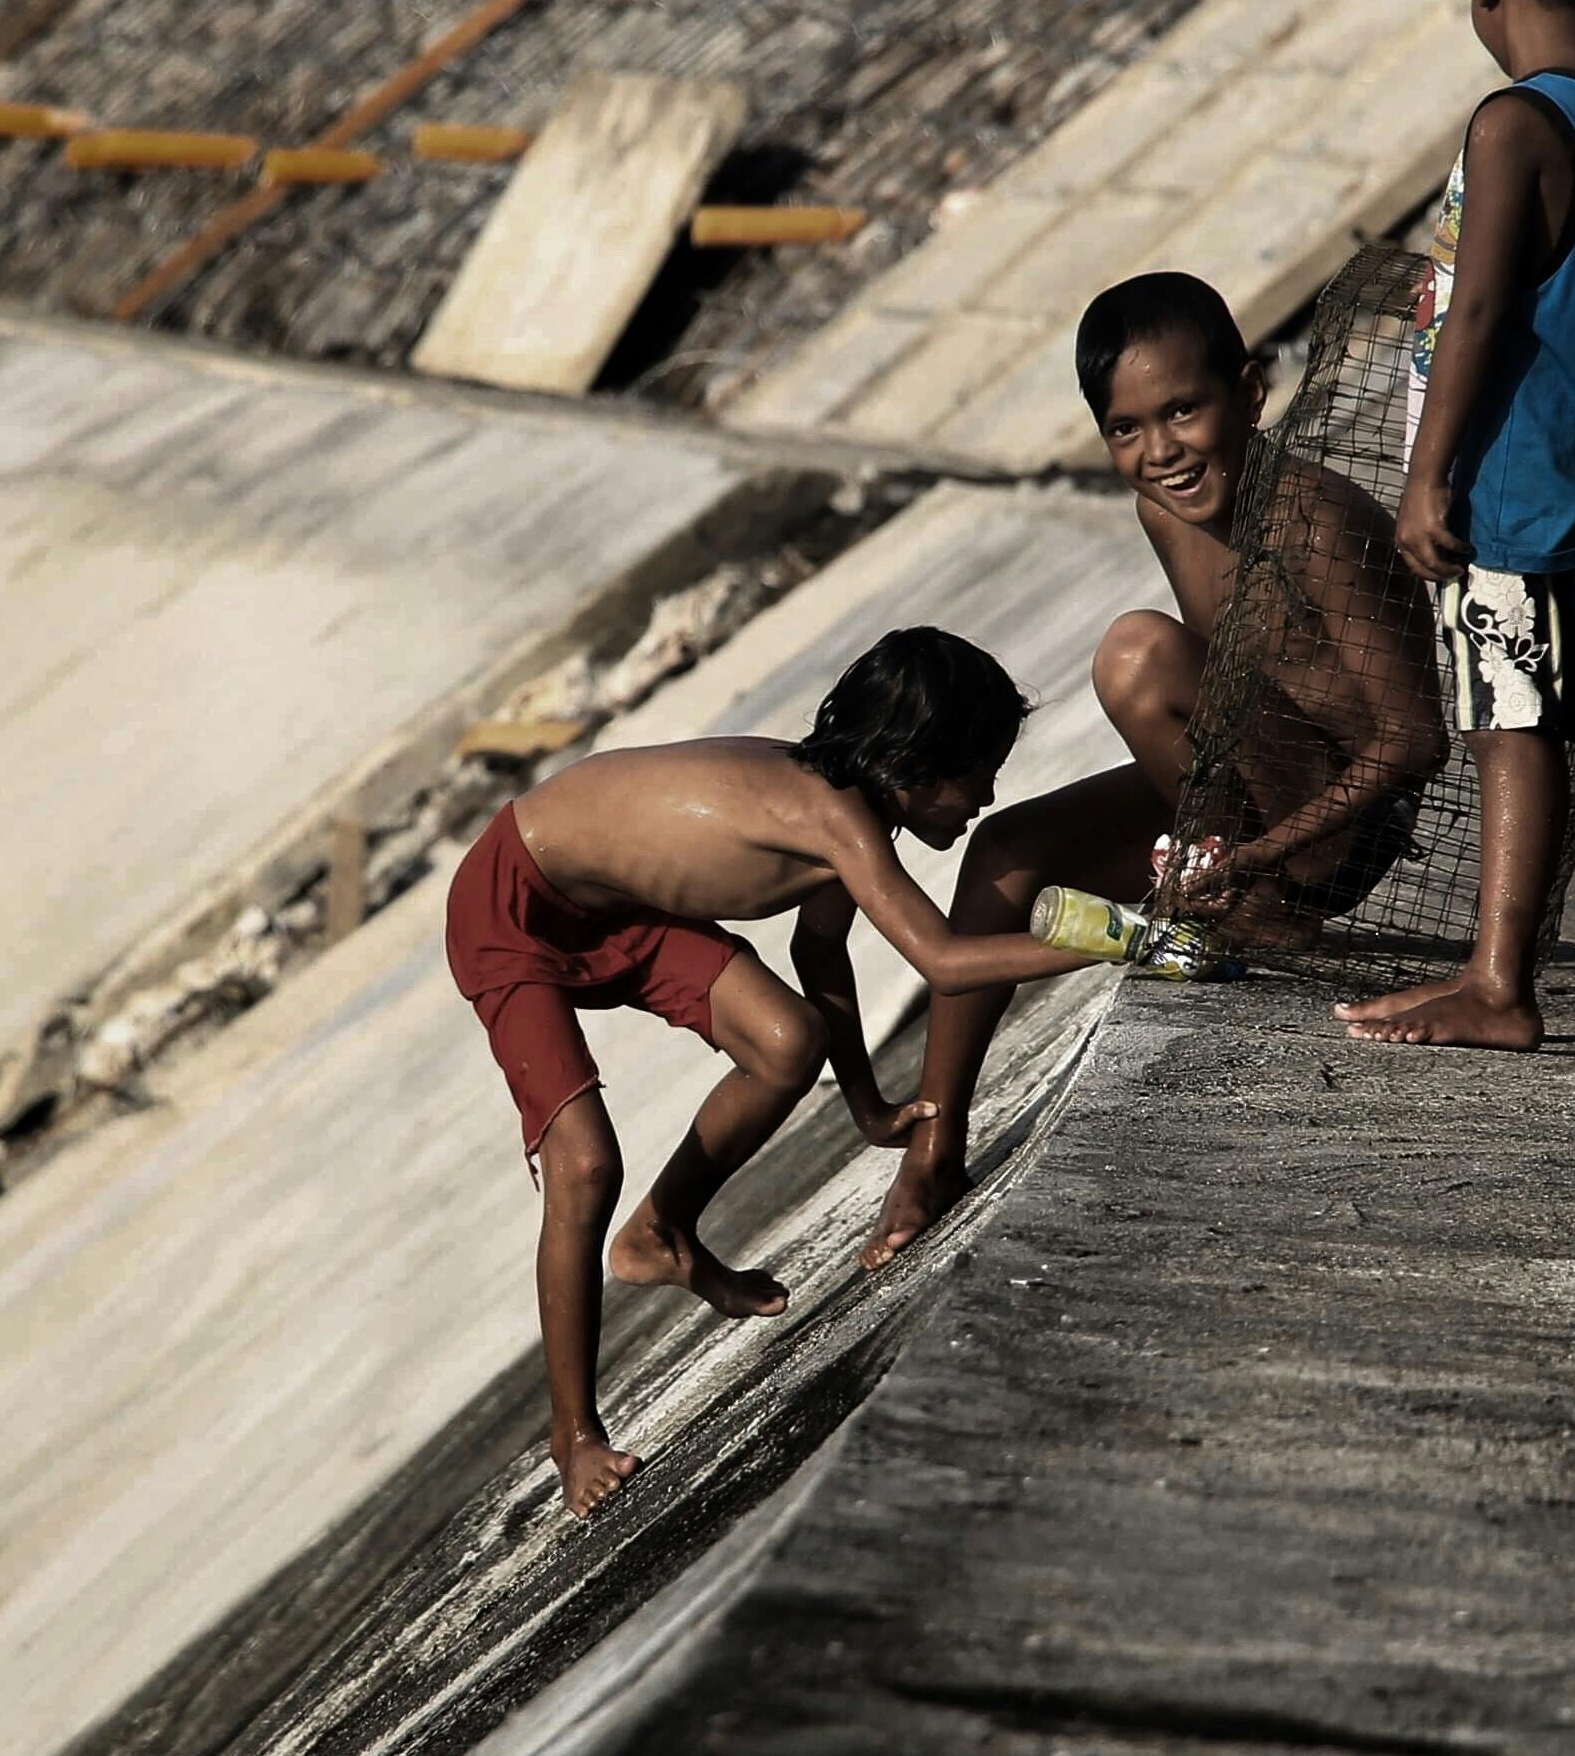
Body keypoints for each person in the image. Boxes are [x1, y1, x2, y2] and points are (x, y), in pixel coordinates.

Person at [446, 627, 1109, 1516]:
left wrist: (865, 1103)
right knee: (586, 1162)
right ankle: (573, 1437)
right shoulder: (834, 816)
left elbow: (819, 949)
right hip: (513, 901)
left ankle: (661, 1230)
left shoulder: (852, 805)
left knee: (788, 1041)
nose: (986, 797)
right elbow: (946, 961)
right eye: (975, 775)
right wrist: (1114, 941)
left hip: (614, 907)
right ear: (910, 764)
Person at [859, 274, 1444, 1269]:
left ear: (1250, 392)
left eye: (1182, 411)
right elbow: (1223, 689)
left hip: (1331, 834)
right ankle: (933, 1147)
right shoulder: (1166, 507)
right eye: (1126, 429)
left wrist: (1256, 856)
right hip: (1251, 791)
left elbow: (1414, 739)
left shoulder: (1310, 522)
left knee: (1134, 653)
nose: (1161, 450)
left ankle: (1262, 913)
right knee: (1005, 851)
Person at [1342, 0, 1575, 1050]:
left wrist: (1428, 479)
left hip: (1509, 485)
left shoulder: (1512, 125)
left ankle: (1497, 985)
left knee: (1507, 722)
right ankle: (1494, 973)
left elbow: (1477, 311)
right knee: (1520, 715)